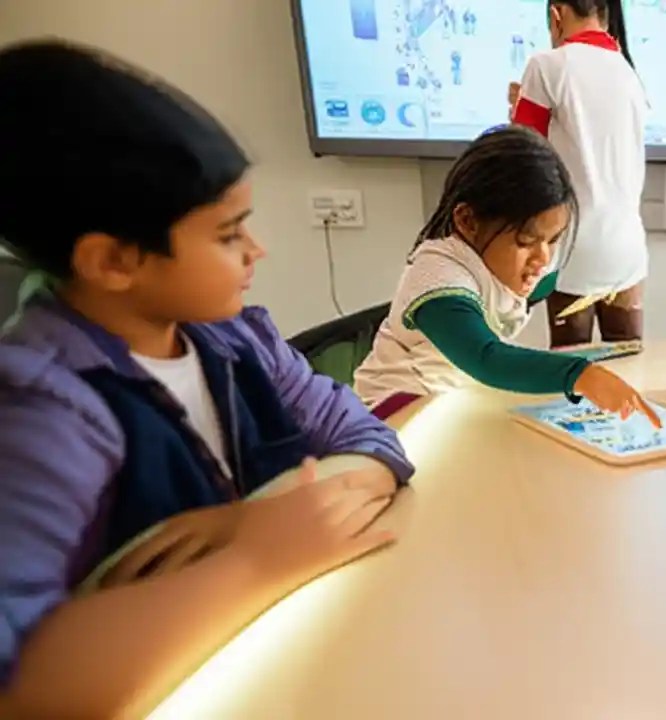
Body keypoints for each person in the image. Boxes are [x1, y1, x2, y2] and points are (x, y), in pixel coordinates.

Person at [0, 41, 414, 717]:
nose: (258, 250)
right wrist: (254, 558)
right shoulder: (43, 408)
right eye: (229, 234)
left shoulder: (239, 338)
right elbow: (17, 681)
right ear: (113, 261)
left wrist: (251, 523)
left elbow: (373, 441)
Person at [354, 125, 659, 426]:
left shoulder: (503, 264)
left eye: (552, 241)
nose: (542, 258)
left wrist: (608, 283)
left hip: (451, 405)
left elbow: (554, 281)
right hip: (393, 415)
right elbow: (487, 358)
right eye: (526, 242)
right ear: (467, 221)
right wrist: (579, 375)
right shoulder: (438, 277)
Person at [509, 0, 648, 348]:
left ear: (556, 15)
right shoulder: (627, 70)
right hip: (627, 247)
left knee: (570, 377)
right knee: (627, 367)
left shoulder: (547, 66)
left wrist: (515, 112)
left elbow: (523, 157)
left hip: (572, 249)